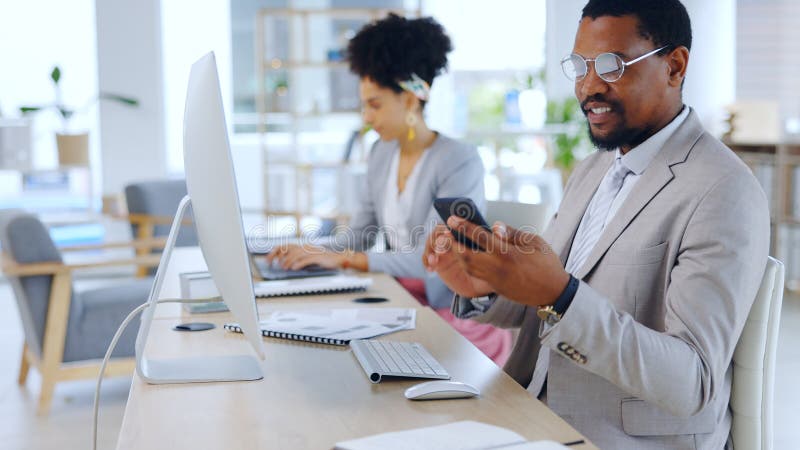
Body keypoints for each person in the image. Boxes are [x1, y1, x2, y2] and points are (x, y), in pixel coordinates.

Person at [423, 1, 769, 448]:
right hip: (528, 416)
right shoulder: (594, 169)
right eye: (580, 65)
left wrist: (561, 295)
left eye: (611, 65)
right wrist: (484, 283)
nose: (589, 86)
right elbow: (542, 298)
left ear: (675, 66)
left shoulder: (723, 190)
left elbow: (691, 382)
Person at [267, 13, 513, 365]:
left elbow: (429, 259)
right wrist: (310, 251)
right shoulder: (381, 153)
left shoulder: (460, 161)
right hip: (402, 304)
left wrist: (345, 259)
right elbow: (360, 236)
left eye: (375, 104)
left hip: (452, 319)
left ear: (411, 99)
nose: (366, 117)